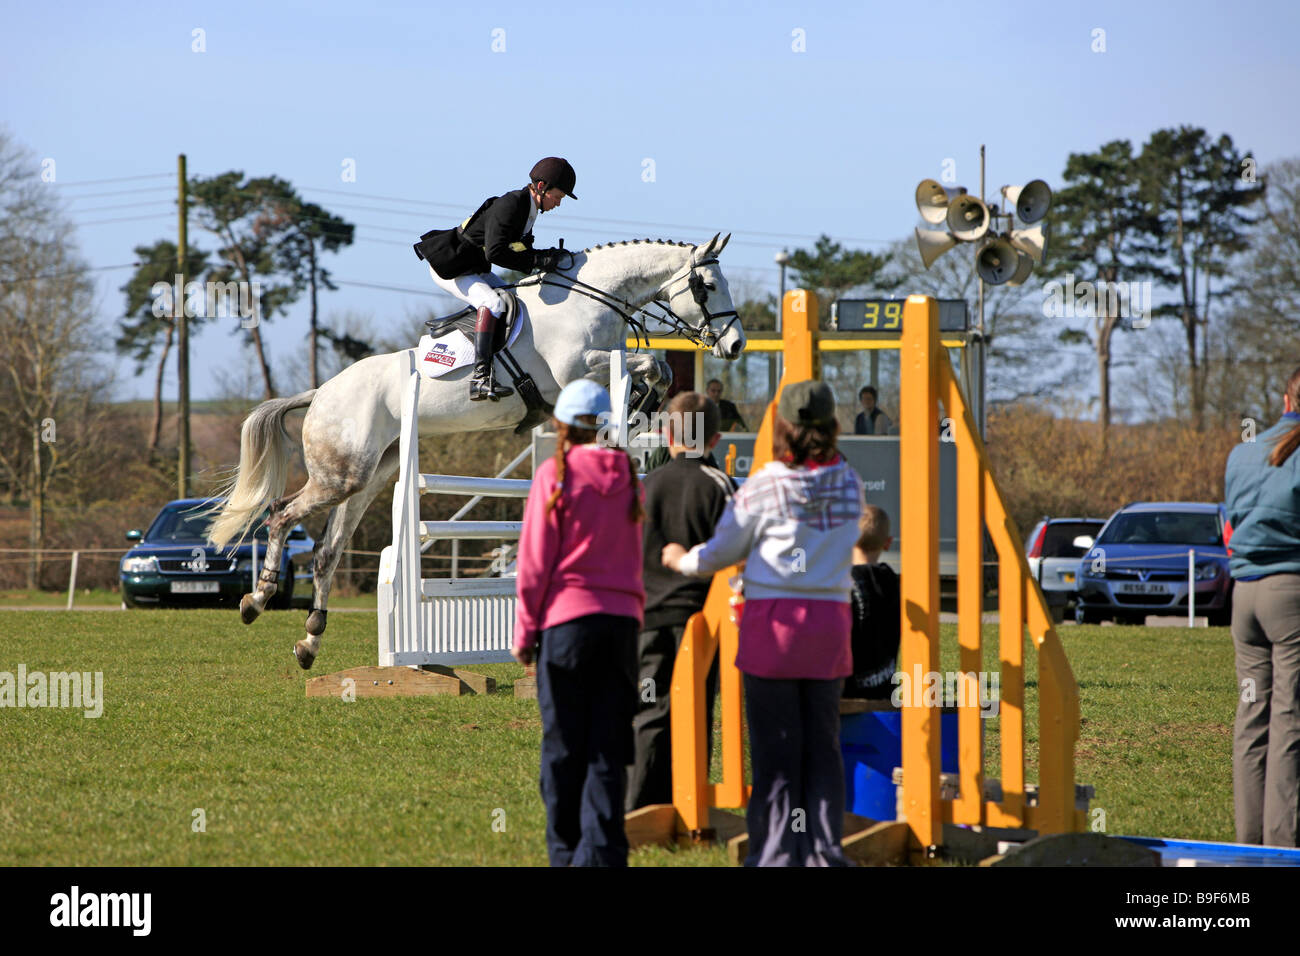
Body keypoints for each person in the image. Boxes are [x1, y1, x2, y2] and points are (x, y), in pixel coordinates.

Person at [661, 380, 865, 866]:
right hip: (830, 627)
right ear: (832, 425)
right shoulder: (849, 483)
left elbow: (721, 552)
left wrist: (681, 559)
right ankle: (823, 852)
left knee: (775, 752)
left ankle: (775, 855)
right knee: (822, 749)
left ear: (784, 427)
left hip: (773, 628)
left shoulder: (766, 484)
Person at [512, 378, 645, 866]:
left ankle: (565, 854)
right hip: (620, 628)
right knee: (609, 749)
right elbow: (635, 557)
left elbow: (534, 564)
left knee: (563, 748)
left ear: (560, 424)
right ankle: (605, 856)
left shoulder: (555, 475)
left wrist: (525, 632)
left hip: (565, 626)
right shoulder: (629, 476)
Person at [627, 392, 737, 811]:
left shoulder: (643, 487)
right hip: (699, 623)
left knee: (647, 712)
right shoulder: (721, 485)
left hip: (646, 617)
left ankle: (637, 805)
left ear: (666, 434)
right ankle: (686, 800)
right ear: (716, 438)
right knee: (694, 712)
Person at [414, 157, 576, 402]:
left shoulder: (528, 210)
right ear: (542, 187)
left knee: (518, 301)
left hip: (473, 268)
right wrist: (536, 262)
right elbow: (496, 252)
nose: (558, 203)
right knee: (493, 303)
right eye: (559, 196)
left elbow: (521, 250)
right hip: (452, 267)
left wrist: (547, 256)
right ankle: (480, 378)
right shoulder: (511, 204)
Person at [1223, 366, 1300, 848]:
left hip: (1245, 600)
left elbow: (1231, 520)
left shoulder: (1243, 451)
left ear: (1287, 400)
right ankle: (1284, 846)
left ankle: (1246, 846)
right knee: (1291, 719)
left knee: (1252, 715)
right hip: (1290, 598)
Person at [843, 506, 900, 701]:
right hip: (884, 691)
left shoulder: (841, 584)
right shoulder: (891, 581)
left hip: (846, 694)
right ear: (888, 543)